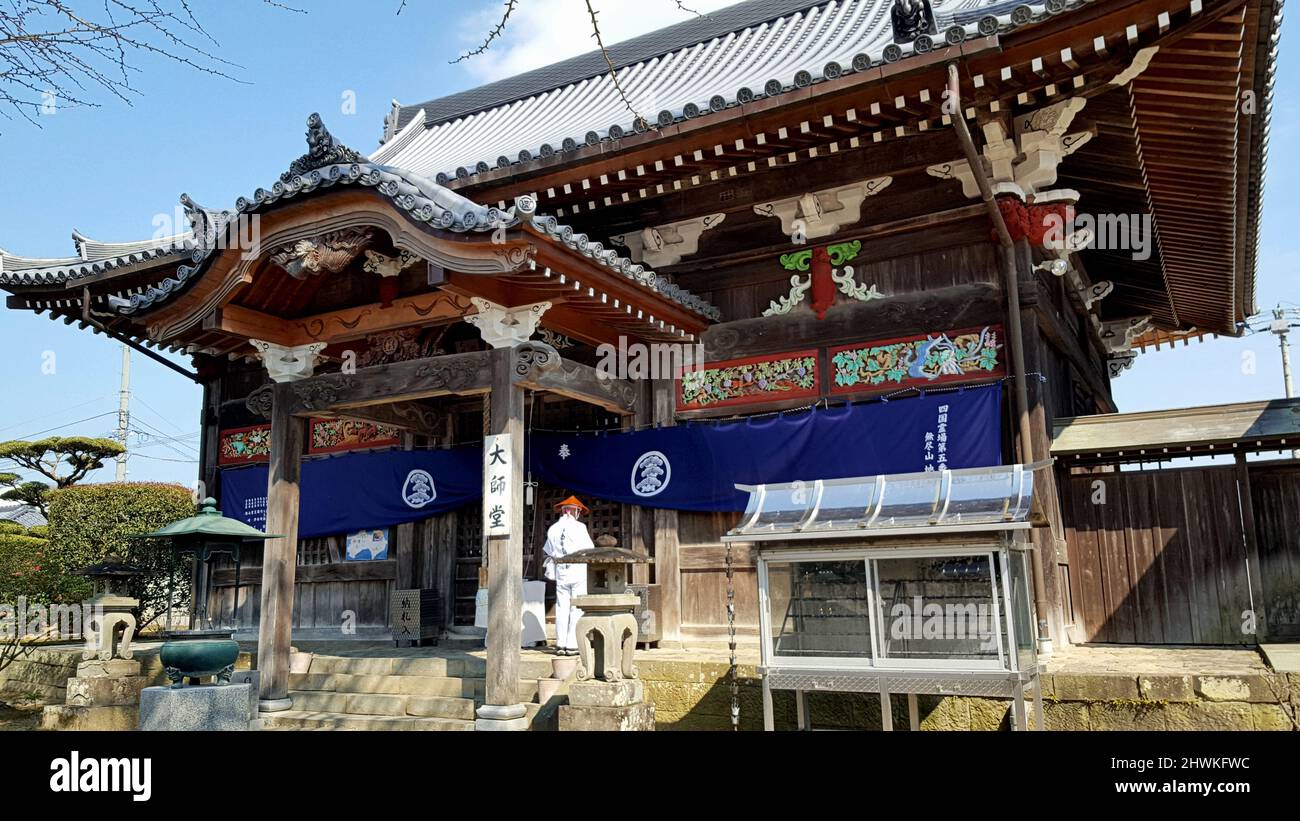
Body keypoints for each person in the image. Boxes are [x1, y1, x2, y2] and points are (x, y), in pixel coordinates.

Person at [543, 495, 592, 656]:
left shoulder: (553, 529)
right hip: (577, 569)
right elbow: (588, 548)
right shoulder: (579, 527)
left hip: (561, 570)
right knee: (576, 605)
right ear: (574, 511)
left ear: (564, 511)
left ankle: (560, 643)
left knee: (562, 605)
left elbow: (549, 551)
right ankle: (572, 643)